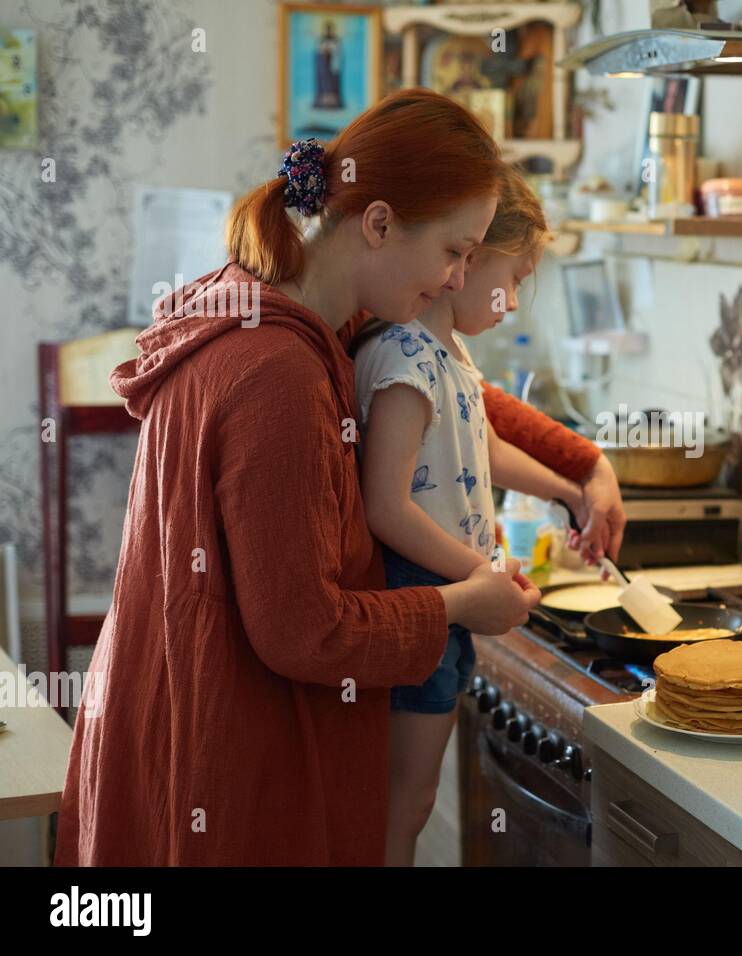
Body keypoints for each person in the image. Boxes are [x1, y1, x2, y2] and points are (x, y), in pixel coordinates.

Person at [55, 89, 621, 866]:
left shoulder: (288, 307)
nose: (460, 281)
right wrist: (460, 602)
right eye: (455, 251)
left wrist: (584, 464)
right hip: (231, 762)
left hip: (172, 715)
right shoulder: (277, 375)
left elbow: (461, 397)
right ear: (380, 223)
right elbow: (304, 630)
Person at [351, 166, 574, 864]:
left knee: (407, 804)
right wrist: (483, 579)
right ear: (468, 258)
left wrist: (570, 486)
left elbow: (483, 446)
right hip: (423, 593)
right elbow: (385, 507)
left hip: (448, 593)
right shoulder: (406, 355)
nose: (514, 301)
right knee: (403, 806)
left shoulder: (446, 353)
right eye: (516, 276)